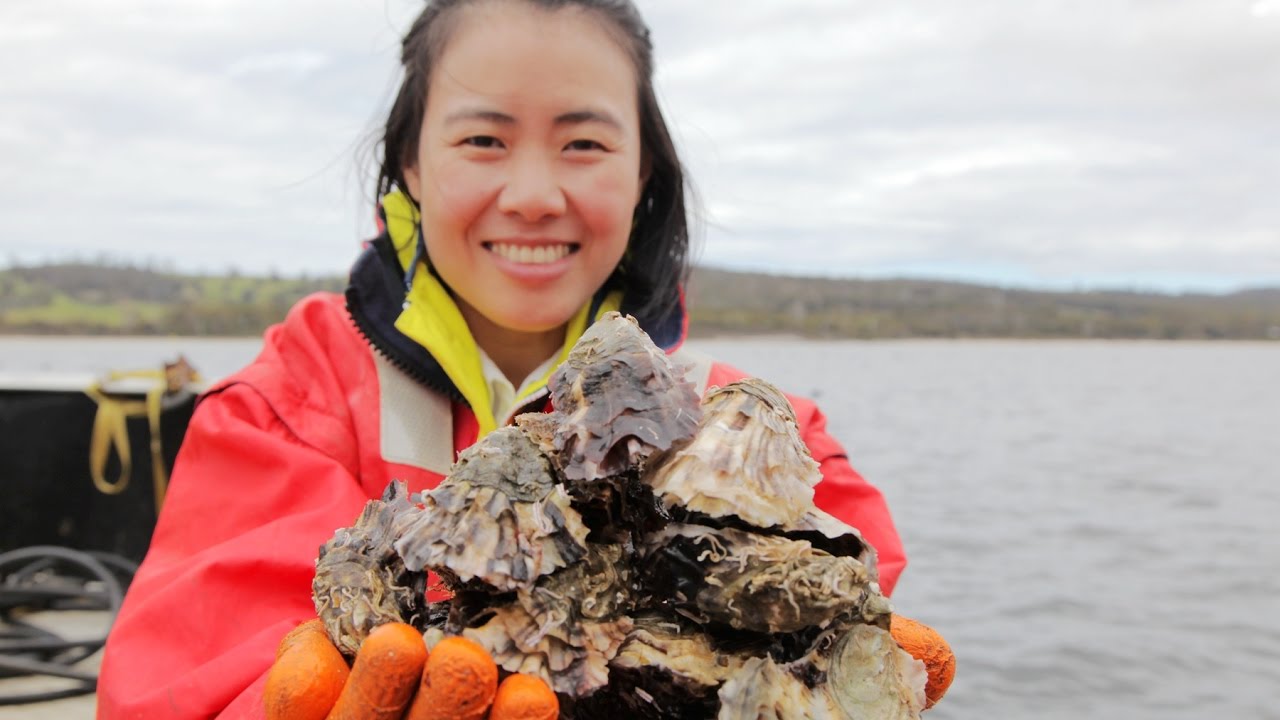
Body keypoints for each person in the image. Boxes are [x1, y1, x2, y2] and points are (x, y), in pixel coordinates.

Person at [96, 0, 909, 716]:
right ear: (411, 163)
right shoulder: (283, 409)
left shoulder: (776, 447)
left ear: (643, 172)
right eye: (484, 138)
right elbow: (179, 684)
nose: (531, 193)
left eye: (584, 143)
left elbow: (846, 622)